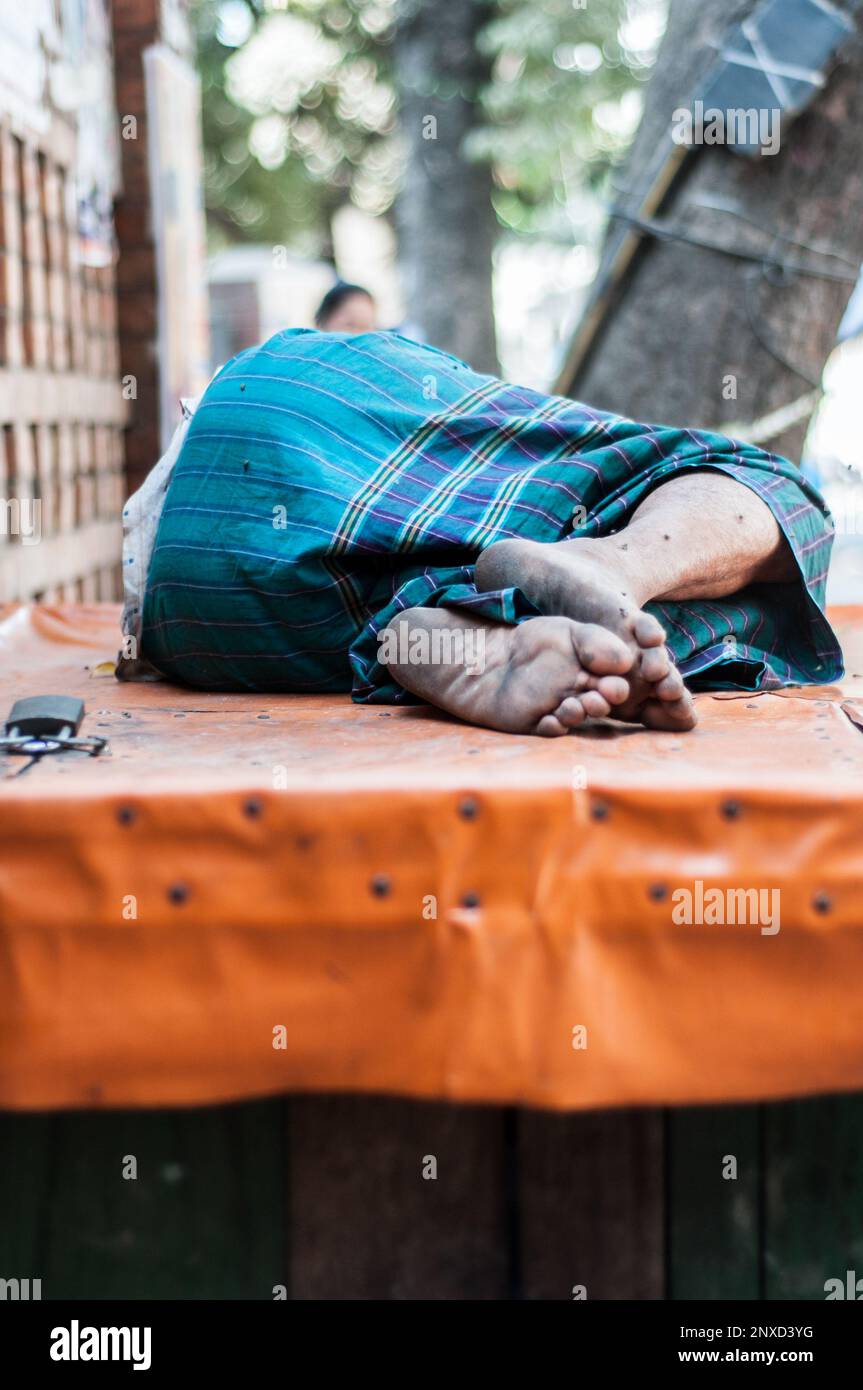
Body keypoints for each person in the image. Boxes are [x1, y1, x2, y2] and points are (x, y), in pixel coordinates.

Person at [135, 328, 841, 736]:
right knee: (777, 492)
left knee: (673, 588)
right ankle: (607, 566)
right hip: (205, 617)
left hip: (190, 599)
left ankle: (432, 632)